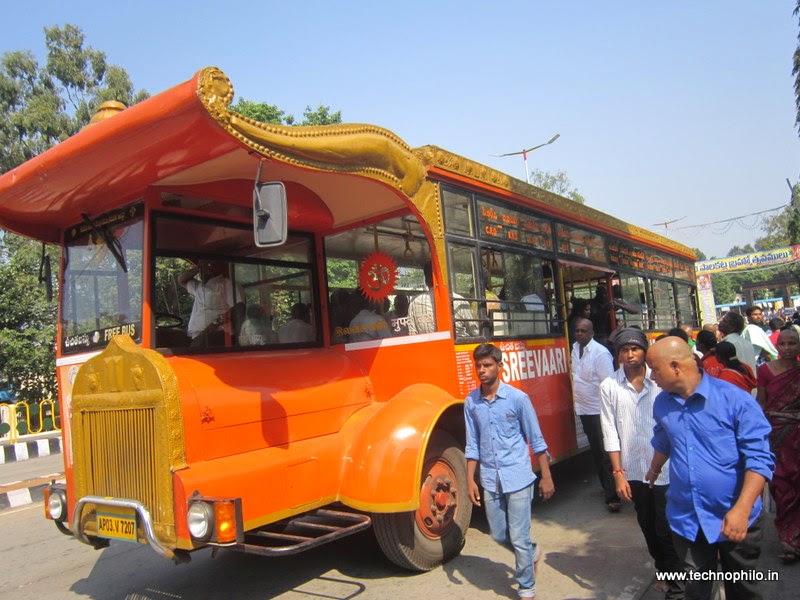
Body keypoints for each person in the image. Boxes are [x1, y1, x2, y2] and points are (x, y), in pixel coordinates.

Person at [646, 337, 774, 600]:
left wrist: (742, 509)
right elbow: (664, 437)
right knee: (696, 589)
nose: (652, 376)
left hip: (736, 517)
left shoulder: (735, 401)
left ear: (676, 367)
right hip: (687, 518)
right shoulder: (662, 403)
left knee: (743, 590)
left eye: (655, 369)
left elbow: (759, 459)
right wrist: (654, 468)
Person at [465, 343, 555, 599]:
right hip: (491, 481)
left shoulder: (518, 399)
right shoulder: (471, 402)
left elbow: (536, 440)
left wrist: (546, 477)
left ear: (499, 367)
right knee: (499, 534)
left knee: (518, 535)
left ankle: (526, 588)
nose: (481, 371)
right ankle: (532, 551)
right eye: (478, 366)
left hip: (518, 478)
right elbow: (472, 445)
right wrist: (470, 479)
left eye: (487, 365)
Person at [600, 328, 683, 599]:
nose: (630, 354)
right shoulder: (609, 386)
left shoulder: (660, 381)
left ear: (645, 351)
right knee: (647, 523)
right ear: (618, 354)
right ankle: (664, 569)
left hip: (667, 468)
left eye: (635, 348)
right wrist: (618, 474)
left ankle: (676, 582)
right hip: (633, 469)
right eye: (624, 350)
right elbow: (610, 431)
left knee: (666, 526)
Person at [756, 327, 800, 563]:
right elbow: (760, 404)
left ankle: (794, 540)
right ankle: (787, 537)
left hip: (798, 435)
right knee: (782, 488)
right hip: (775, 438)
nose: (787, 348)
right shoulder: (765, 371)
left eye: (792, 343)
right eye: (783, 344)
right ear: (777, 346)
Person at [571, 318, 620, 511]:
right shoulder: (575, 349)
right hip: (584, 410)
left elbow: (608, 385)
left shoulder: (600, 354)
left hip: (600, 411)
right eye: (577, 331)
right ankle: (608, 487)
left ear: (592, 333)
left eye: (584, 331)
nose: (580, 334)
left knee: (606, 453)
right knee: (596, 453)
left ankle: (613, 496)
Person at [178, 260, 244, 347]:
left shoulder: (226, 284)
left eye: (206, 266)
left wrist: (217, 322)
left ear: (213, 267)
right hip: (193, 335)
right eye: (201, 268)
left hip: (213, 335)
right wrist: (197, 268)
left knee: (189, 356)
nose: (203, 271)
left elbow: (239, 309)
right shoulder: (199, 287)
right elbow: (181, 280)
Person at [408, 261, 477, 337]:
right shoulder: (459, 301)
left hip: (427, 347)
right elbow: (475, 332)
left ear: (426, 281)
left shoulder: (414, 303)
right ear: (446, 279)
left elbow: (412, 334)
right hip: (458, 346)